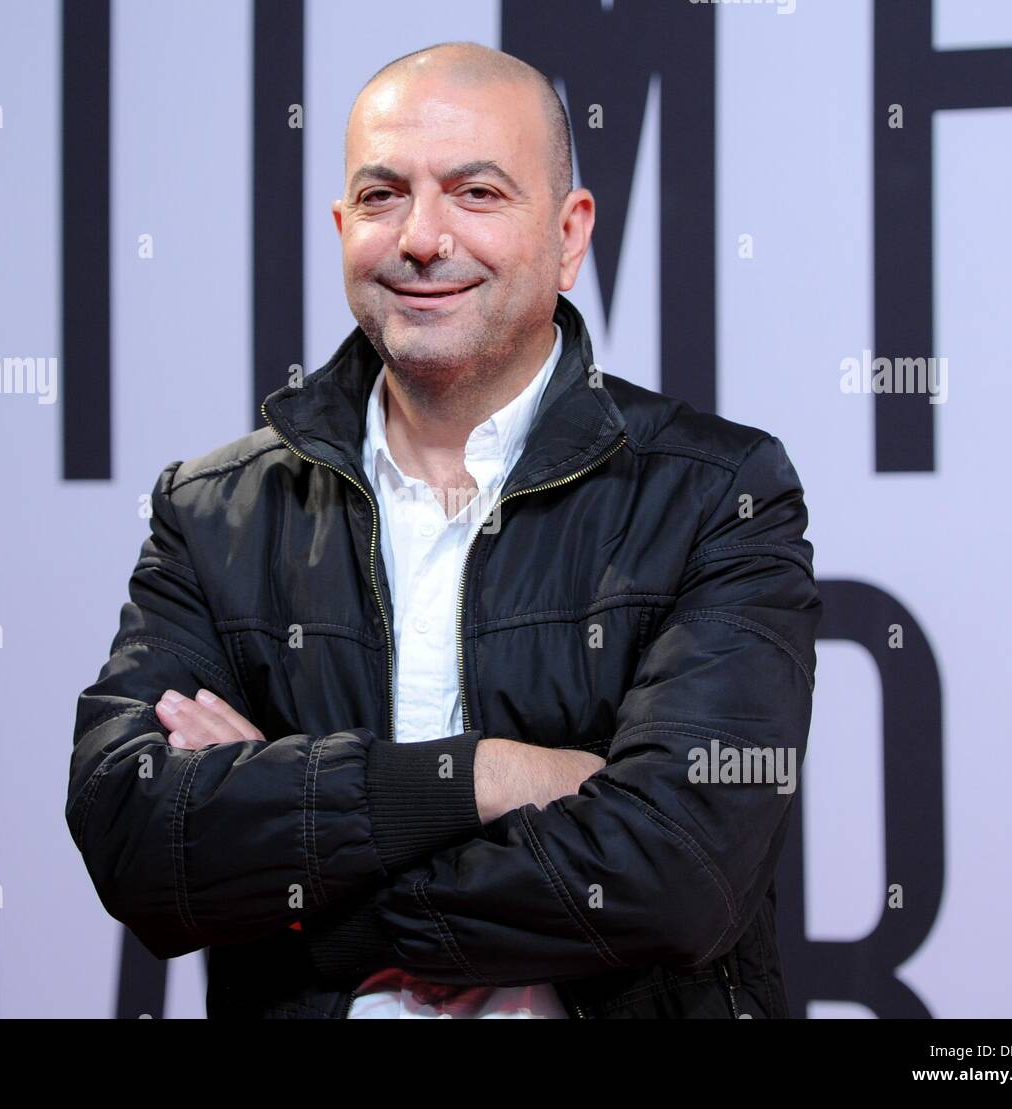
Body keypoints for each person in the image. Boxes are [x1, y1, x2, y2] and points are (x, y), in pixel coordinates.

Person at [66, 40, 822, 1019]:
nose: (422, 237)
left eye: (476, 192)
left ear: (568, 233)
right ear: (342, 227)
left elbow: (674, 869)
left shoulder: (717, 490)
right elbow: (135, 834)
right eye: (382, 196)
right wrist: (479, 775)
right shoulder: (215, 507)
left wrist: (310, 909)